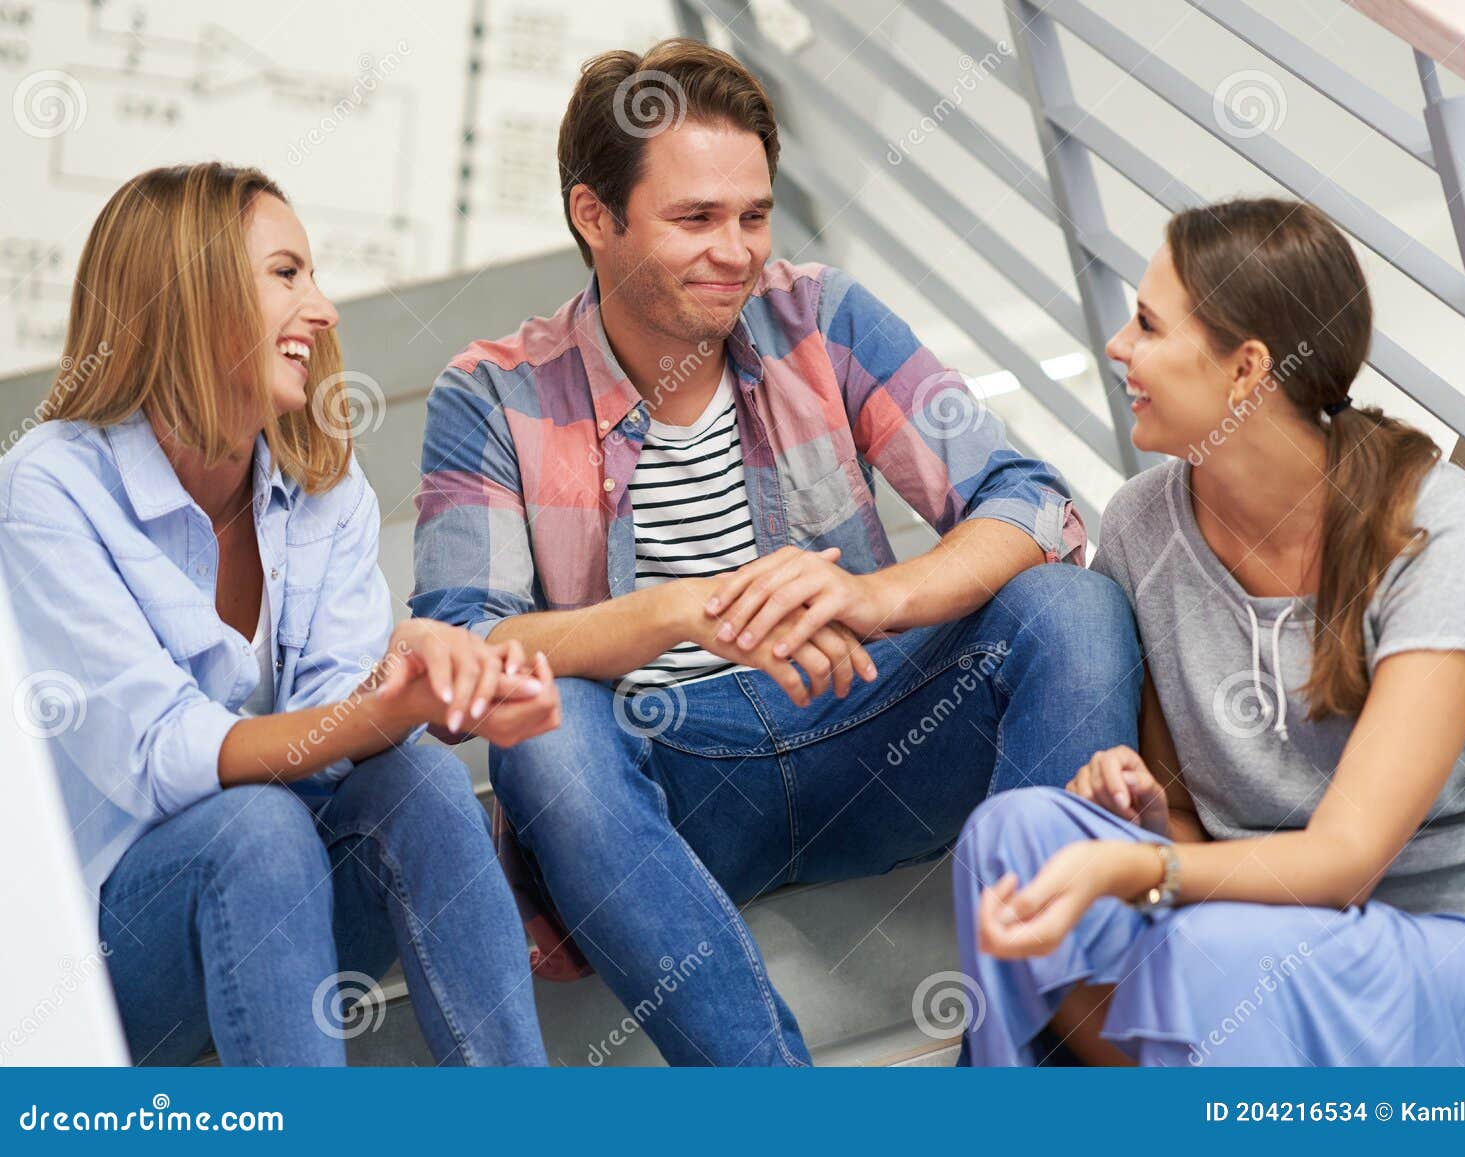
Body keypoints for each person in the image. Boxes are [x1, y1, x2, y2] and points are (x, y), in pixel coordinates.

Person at [410, 39, 1139, 1066]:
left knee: (1074, 608)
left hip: (871, 729)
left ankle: (1013, 1079)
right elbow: (461, 646)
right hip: (675, 781)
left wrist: (880, 600)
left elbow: (1030, 502)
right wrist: (680, 611)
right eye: (695, 219)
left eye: (752, 215)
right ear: (594, 216)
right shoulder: (492, 393)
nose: (737, 251)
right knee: (546, 725)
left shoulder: (823, 316)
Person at [955, 197, 1465, 1066]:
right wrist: (1149, 815)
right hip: (1264, 937)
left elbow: (1344, 862)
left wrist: (1136, 870)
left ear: (1246, 368)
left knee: (1220, 960)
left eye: (1147, 324)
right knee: (1012, 841)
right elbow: (1185, 823)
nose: (1117, 346)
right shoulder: (1144, 526)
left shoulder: (1427, 525)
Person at [0, 163, 560, 1066]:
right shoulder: (50, 489)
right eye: (288, 274)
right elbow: (159, 756)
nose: (325, 309)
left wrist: (410, 683)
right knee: (256, 828)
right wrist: (380, 706)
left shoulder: (320, 485)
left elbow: (341, 722)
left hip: (286, 913)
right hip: (108, 967)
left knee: (419, 784)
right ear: (193, 293)